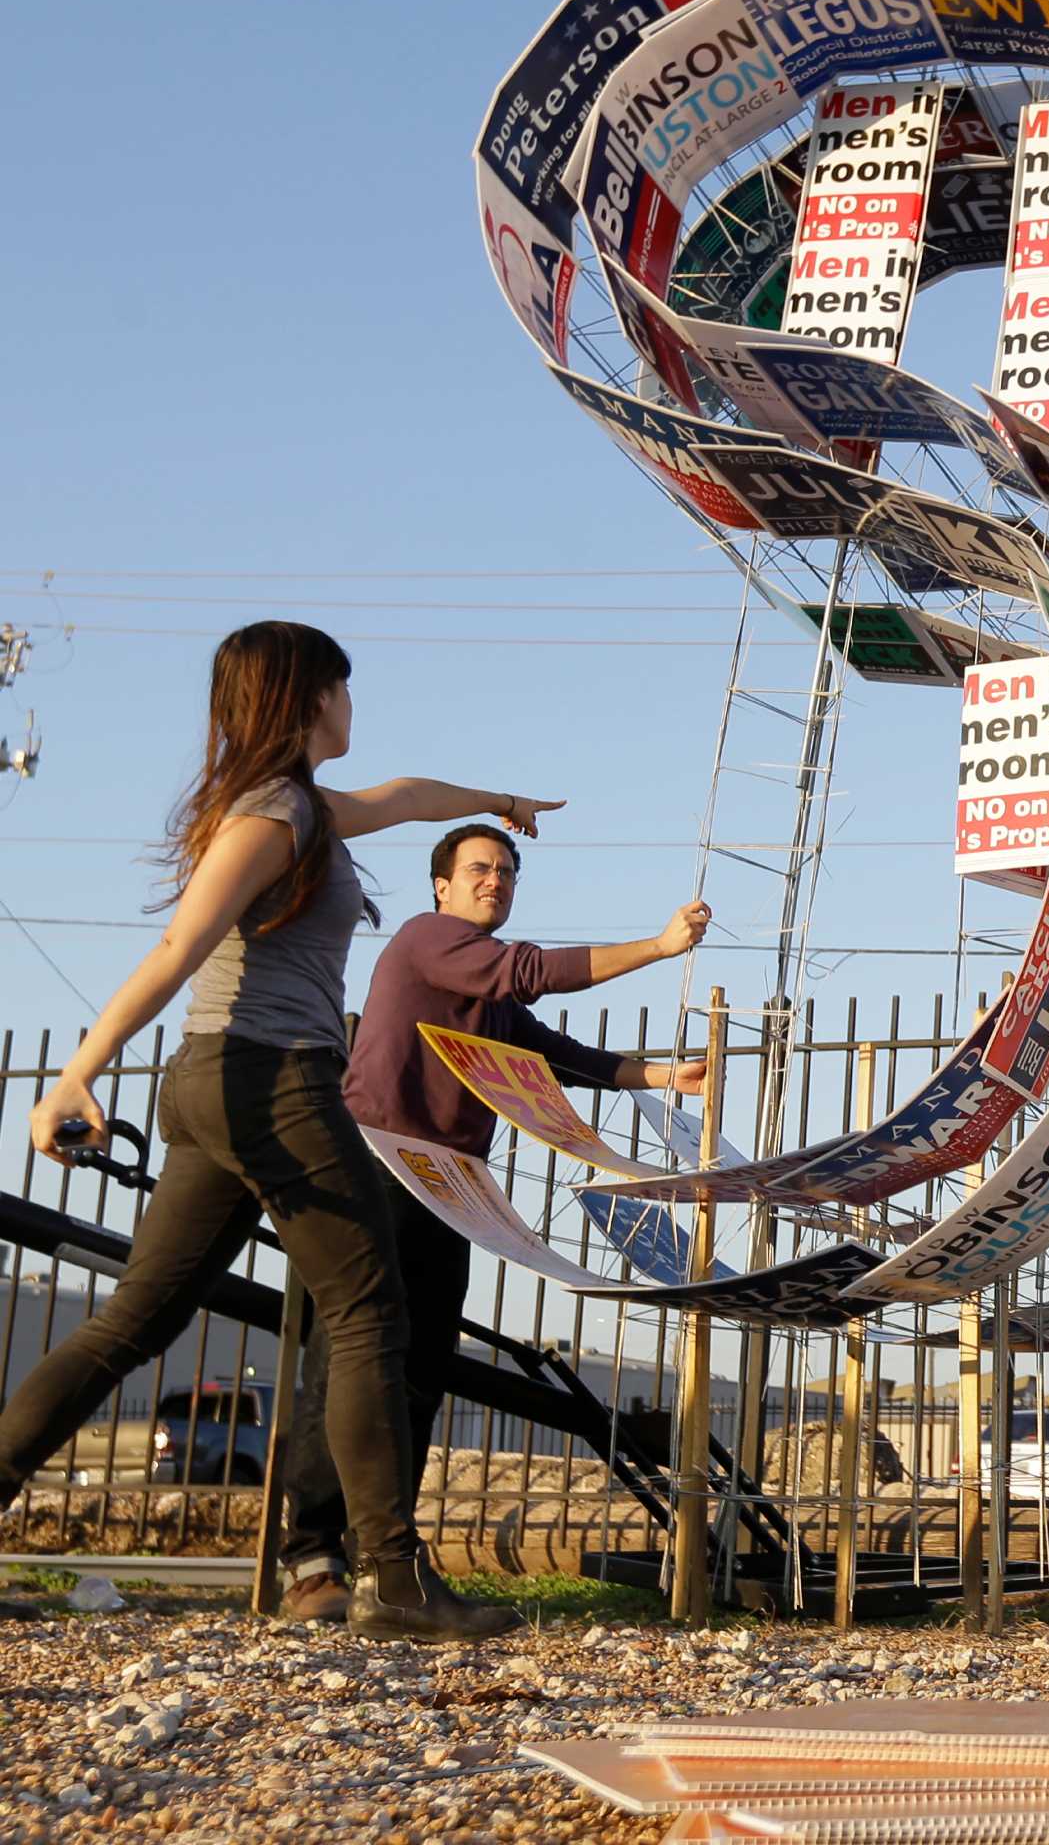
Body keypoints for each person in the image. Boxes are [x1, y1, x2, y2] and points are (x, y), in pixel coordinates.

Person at [0, 620, 566, 1644]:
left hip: (222, 1087)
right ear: (309, 698)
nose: (354, 704)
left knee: (137, 1319)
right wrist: (75, 1073)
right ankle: (391, 1577)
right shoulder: (271, 813)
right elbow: (182, 941)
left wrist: (494, 799)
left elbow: (401, 797)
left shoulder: (306, 806)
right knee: (369, 1309)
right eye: (342, 688)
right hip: (272, 1077)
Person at [277, 822, 710, 1621]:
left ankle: (386, 1570)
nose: (495, 881)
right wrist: (656, 947)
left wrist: (659, 1075)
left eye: (507, 872)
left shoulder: (487, 993)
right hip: (376, 1166)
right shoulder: (427, 939)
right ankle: (311, 1559)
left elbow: (552, 1054)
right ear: (441, 886)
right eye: (480, 868)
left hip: (447, 1186)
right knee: (347, 1358)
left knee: (418, 1370)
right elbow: (532, 972)